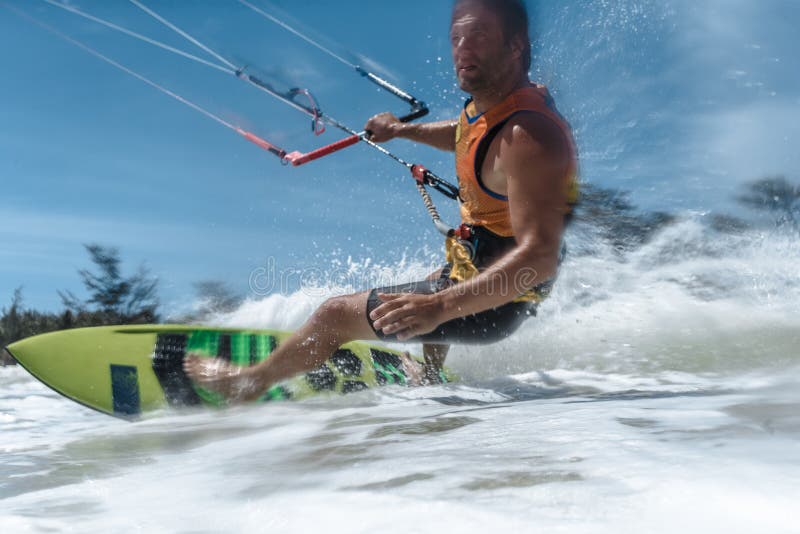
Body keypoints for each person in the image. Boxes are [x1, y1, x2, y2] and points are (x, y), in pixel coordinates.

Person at [184, 0, 578, 401]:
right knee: (430, 279)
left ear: (515, 46)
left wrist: (437, 308)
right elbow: (464, 132)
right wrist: (400, 131)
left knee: (334, 315)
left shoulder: (527, 135)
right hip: (477, 272)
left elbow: (539, 257)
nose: (462, 49)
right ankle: (428, 373)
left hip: (501, 302)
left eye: (478, 35)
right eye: (456, 38)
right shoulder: (494, 105)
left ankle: (248, 384)